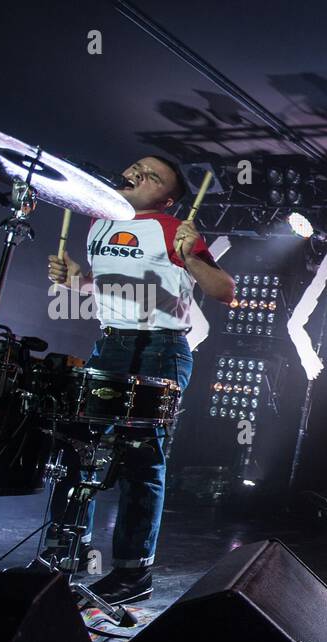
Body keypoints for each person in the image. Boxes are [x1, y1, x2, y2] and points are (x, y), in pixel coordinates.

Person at [45, 155, 234, 604]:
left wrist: (191, 258)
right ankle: (61, 559)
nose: (136, 174)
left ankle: (133, 573)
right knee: (79, 448)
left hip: (159, 348)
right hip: (110, 344)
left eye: (152, 176)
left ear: (167, 198)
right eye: (136, 167)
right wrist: (78, 282)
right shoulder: (99, 223)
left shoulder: (174, 229)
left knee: (138, 459)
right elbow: (108, 285)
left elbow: (224, 290)